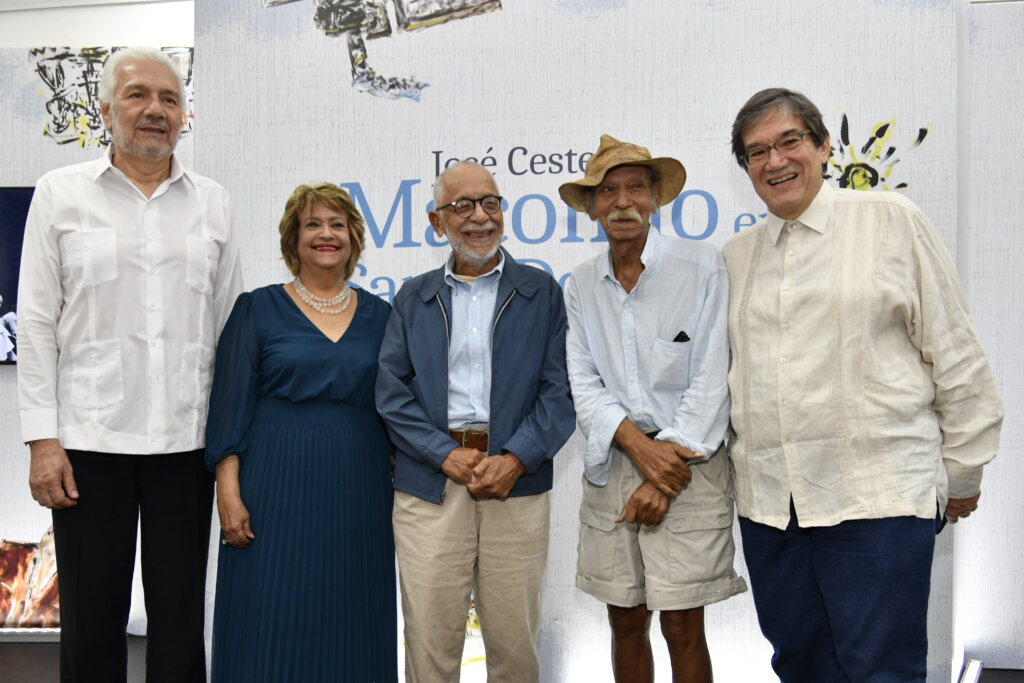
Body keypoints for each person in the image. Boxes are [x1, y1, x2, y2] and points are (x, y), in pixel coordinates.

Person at [724, 87, 1004, 681]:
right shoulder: (736, 258)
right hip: (774, 511)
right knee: (801, 667)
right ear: (745, 168)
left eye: (789, 142)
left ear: (824, 147)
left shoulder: (890, 221)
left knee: (881, 671)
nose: (775, 161)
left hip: (875, 500)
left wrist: (962, 471)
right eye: (756, 152)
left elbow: (956, 354)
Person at [17, 46, 243, 682]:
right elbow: (35, 323)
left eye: (169, 99)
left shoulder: (215, 203)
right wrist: (42, 440)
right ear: (105, 109)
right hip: (87, 443)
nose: (154, 110)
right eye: (138, 95)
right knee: (91, 624)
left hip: (185, 443)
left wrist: (228, 450)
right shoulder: (59, 194)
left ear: (185, 115)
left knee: (178, 626)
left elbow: (230, 332)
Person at [376, 161, 575, 682]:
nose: (479, 217)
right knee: (429, 644)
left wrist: (516, 457)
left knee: (515, 648)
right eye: (462, 206)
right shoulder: (413, 297)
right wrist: (443, 453)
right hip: (430, 483)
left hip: (517, 482)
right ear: (437, 222)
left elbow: (560, 394)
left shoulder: (541, 292)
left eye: (490, 203)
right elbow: (391, 394)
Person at [558, 135, 747, 683]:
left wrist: (664, 473)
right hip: (616, 460)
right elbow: (583, 382)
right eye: (608, 191)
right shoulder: (580, 285)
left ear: (656, 197)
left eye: (635, 188)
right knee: (624, 620)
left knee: (683, 625)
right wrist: (641, 451)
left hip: (691, 460)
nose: (622, 202)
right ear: (592, 206)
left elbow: (714, 377)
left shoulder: (702, 267)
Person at [205, 183, 397, 682]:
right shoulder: (257, 309)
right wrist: (229, 491)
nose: (325, 234)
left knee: (352, 612)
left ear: (353, 238)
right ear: (294, 239)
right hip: (272, 487)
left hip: (360, 487)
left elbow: (400, 407)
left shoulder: (383, 316)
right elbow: (228, 407)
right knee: (269, 611)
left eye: (337, 224)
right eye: (312, 224)